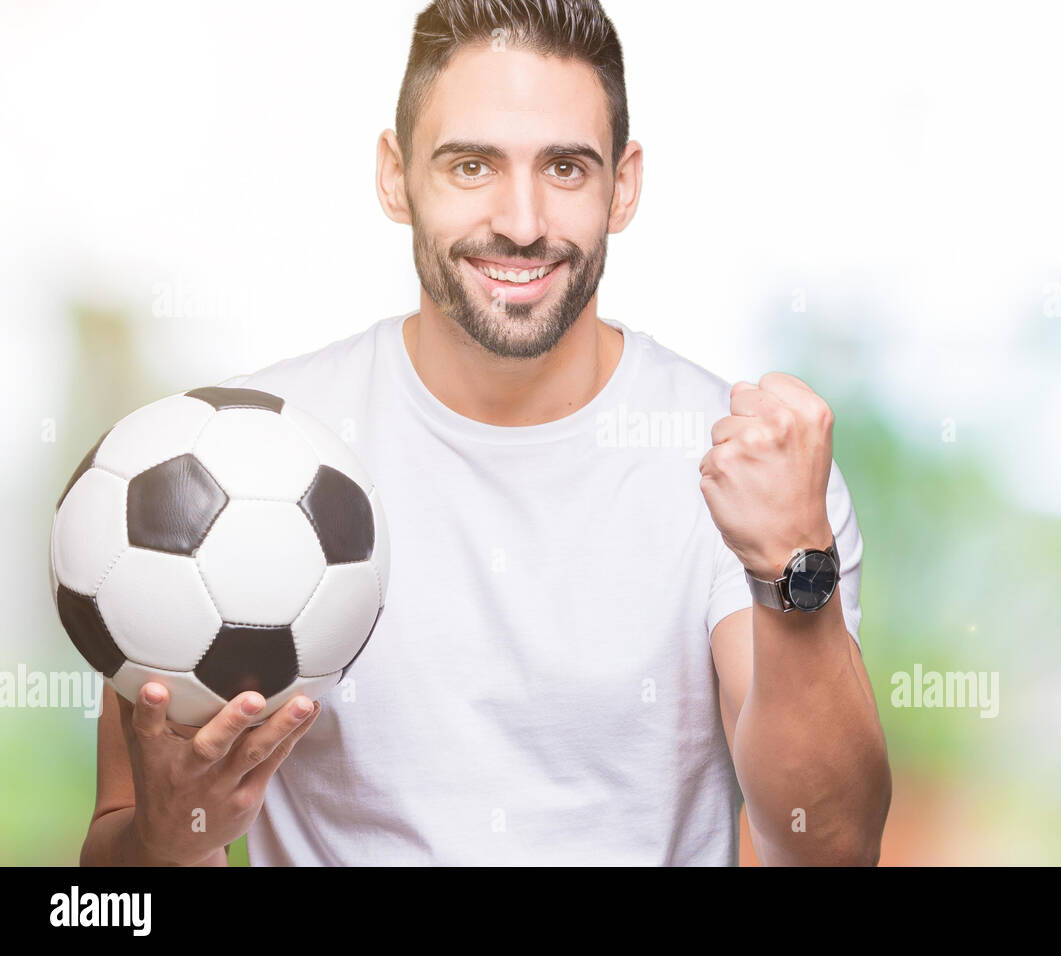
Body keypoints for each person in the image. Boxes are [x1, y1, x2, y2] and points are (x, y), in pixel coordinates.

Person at [81, 0, 890, 867]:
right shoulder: (224, 463)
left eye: (567, 169)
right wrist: (172, 837)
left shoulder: (742, 463)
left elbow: (831, 851)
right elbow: (107, 898)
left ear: (624, 184)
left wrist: (792, 570)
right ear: (395, 176)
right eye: (472, 165)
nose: (522, 220)